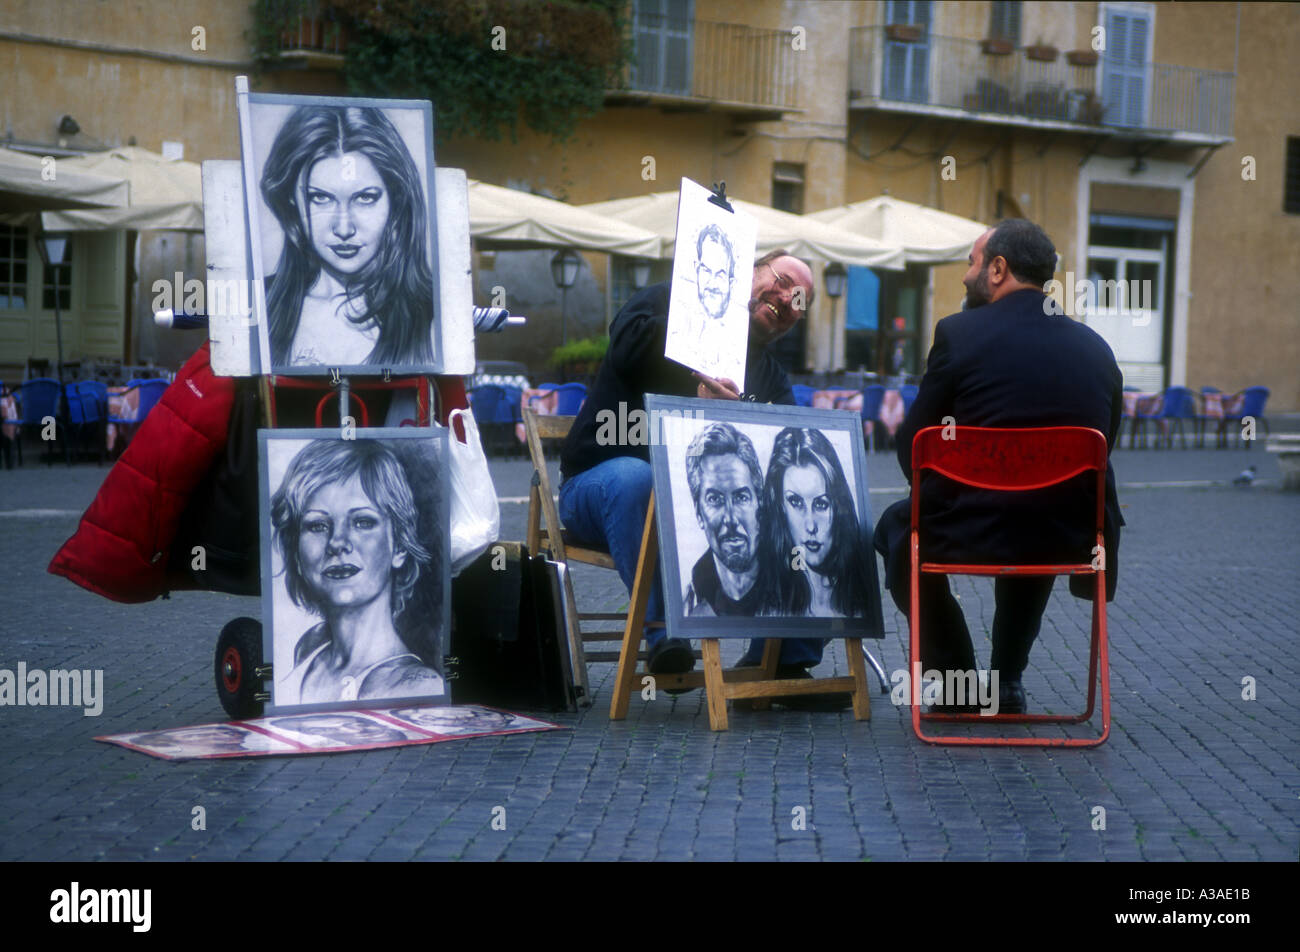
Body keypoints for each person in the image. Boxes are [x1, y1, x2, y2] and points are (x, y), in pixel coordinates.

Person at [559, 249, 839, 704]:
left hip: (693, 508)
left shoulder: (766, 373)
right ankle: (664, 633)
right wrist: (697, 351)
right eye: (783, 280)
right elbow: (625, 349)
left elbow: (783, 447)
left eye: (800, 300)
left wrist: (735, 415)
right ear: (750, 272)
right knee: (637, 478)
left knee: (798, 488)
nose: (788, 298)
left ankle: (786, 659)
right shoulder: (666, 299)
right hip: (599, 485)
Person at [874, 219, 1124, 714]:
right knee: (1039, 508)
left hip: (970, 528)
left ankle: (957, 682)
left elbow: (915, 448)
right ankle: (1006, 681)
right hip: (1072, 534)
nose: (966, 276)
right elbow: (1104, 446)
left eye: (972, 264)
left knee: (897, 529)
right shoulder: (1097, 349)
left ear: (998, 269)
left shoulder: (958, 334)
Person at [259, 105, 435, 370]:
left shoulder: (432, 311)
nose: (343, 228)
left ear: (396, 201)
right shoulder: (258, 303)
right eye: (320, 197)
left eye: (365, 198)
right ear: (290, 200)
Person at [271, 439, 444, 705]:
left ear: (398, 545)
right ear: (295, 551)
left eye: (363, 522)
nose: (338, 543)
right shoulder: (307, 649)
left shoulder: (417, 686)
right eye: (317, 525)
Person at [756, 426, 868, 619]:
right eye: (796, 502)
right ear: (780, 507)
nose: (810, 526)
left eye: (821, 504)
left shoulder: (858, 599)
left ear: (839, 506)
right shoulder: (766, 600)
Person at [681, 422, 766, 617]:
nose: (731, 519)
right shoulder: (692, 593)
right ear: (698, 513)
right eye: (715, 500)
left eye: (741, 497)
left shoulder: (794, 581)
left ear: (759, 503)